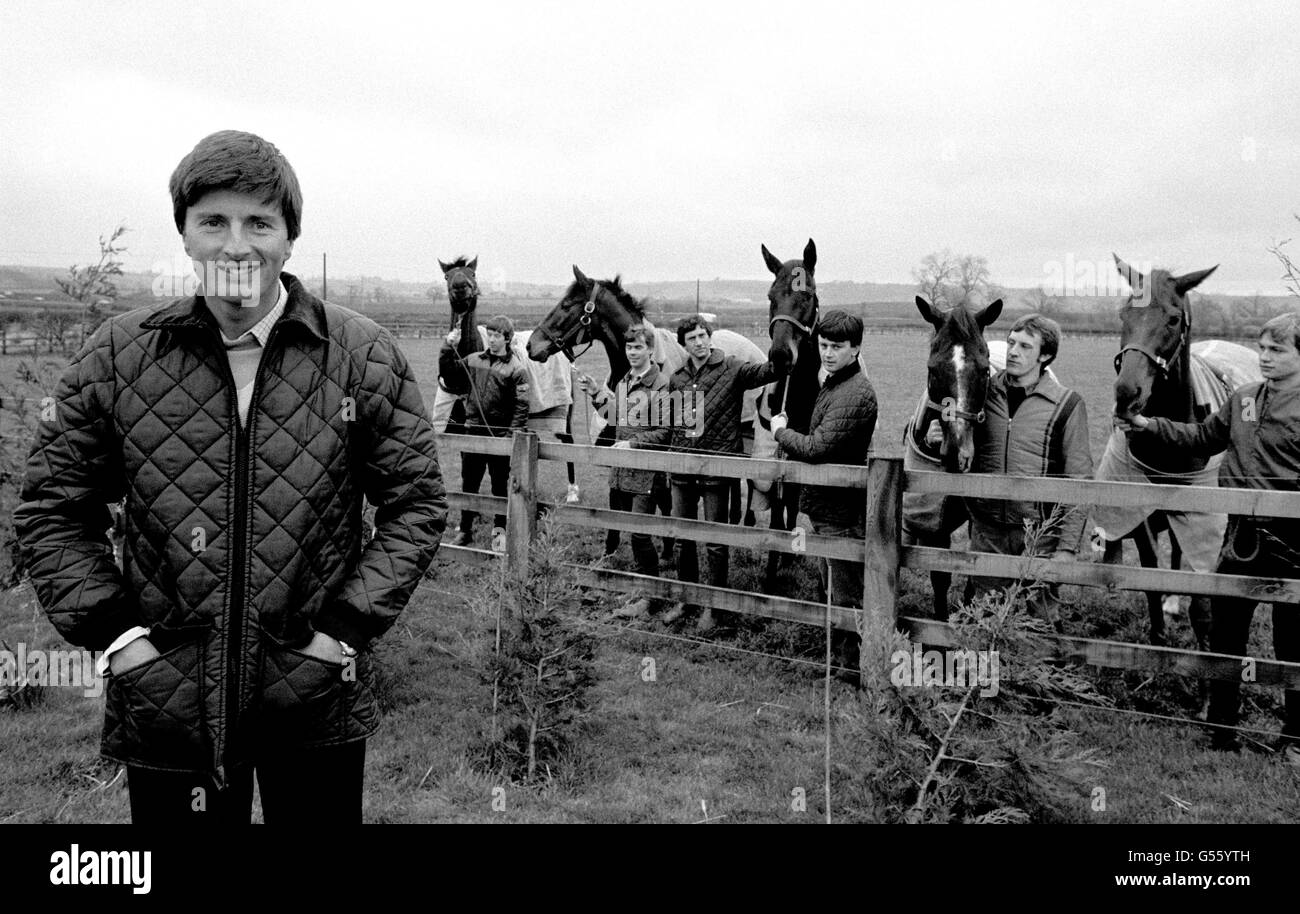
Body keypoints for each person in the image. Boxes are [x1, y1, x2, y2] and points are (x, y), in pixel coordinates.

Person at [14, 130, 447, 824]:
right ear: (184, 234)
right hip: (167, 703)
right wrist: (121, 642)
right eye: (213, 221)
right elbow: (52, 511)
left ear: (289, 237)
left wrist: (340, 632)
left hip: (311, 698)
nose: (236, 245)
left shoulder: (361, 355)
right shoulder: (120, 356)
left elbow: (417, 504)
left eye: (259, 223)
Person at [1118, 312, 1300, 761]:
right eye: (1262, 348)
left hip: (1294, 545)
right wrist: (1147, 426)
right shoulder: (1243, 400)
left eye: (1278, 350)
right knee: (1226, 637)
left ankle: (1295, 737)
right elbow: (1201, 436)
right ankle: (1222, 731)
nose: (1265, 357)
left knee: (1292, 644)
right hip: (1240, 541)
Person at [951, 314, 1092, 628]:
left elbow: (1080, 481)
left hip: (1039, 535)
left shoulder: (1066, 405)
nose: (1012, 351)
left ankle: (1033, 678)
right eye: (1011, 342)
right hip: (987, 531)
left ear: (1045, 356)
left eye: (1025, 346)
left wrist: (1067, 548)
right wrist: (941, 437)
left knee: (1038, 623)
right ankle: (986, 678)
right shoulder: (982, 395)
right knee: (985, 619)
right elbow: (957, 444)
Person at [664, 315, 789, 630]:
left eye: (703, 335)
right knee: (682, 538)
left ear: (710, 337)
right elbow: (671, 423)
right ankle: (686, 598)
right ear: (685, 344)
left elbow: (770, 371)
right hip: (682, 468)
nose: (700, 342)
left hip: (717, 468)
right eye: (692, 338)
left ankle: (715, 606)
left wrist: (780, 347)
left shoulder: (732, 368)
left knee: (716, 540)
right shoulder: (677, 378)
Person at [771, 310, 877, 671]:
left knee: (847, 591)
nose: (828, 353)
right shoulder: (835, 383)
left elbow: (817, 448)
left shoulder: (855, 392)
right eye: (824, 345)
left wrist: (780, 432)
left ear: (856, 349)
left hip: (841, 509)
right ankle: (839, 662)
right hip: (826, 505)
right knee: (830, 585)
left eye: (838, 346)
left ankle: (853, 668)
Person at [577, 325, 673, 619]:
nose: (632, 353)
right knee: (622, 527)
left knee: (640, 535)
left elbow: (665, 433)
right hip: (621, 472)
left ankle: (650, 596)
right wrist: (596, 394)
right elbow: (616, 416)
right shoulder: (624, 381)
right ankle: (639, 588)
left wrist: (632, 443)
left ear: (650, 350)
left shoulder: (661, 385)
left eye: (638, 348)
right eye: (629, 348)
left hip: (647, 473)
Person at [439, 314, 529, 551]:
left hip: (499, 437)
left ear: (507, 339)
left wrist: (511, 435)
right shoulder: (473, 359)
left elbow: (522, 406)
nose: (492, 339)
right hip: (473, 433)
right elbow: (448, 372)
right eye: (489, 335)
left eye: (497, 336)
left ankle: (499, 534)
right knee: (469, 483)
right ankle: (465, 530)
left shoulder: (517, 370)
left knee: (500, 487)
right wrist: (448, 346)